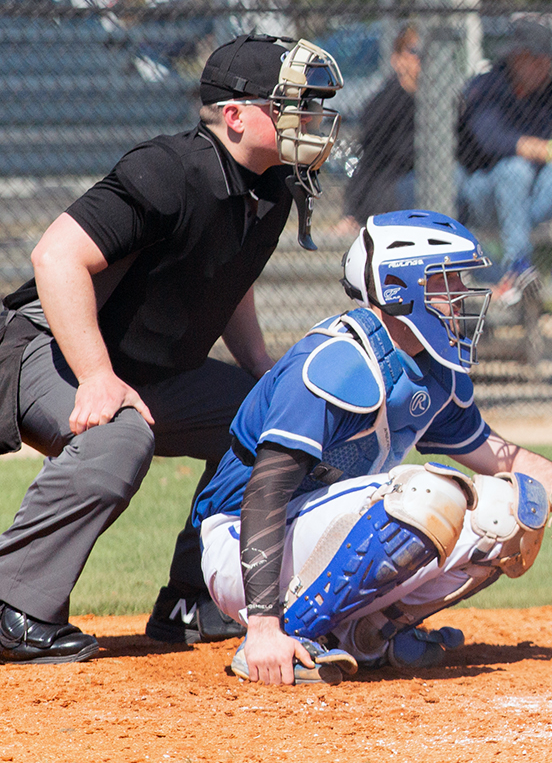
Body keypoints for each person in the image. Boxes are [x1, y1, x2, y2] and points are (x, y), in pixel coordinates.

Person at [0, 34, 342, 662]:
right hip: (47, 348)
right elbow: (56, 256)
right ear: (234, 116)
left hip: (151, 370)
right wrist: (97, 374)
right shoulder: (169, 169)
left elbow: (226, 279)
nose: (310, 119)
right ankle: (11, 604)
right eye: (291, 104)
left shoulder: (274, 186)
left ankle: (193, 596)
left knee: (273, 420)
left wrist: (264, 374)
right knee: (121, 434)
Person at [193, 210, 552, 685]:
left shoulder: (434, 368)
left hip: (316, 537)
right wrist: (263, 625)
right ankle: (285, 638)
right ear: (397, 287)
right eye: (447, 281)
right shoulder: (336, 362)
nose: (462, 295)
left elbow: (499, 456)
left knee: (511, 508)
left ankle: (366, 635)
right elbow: (265, 492)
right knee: (430, 495)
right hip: (241, 545)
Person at [456, 19, 552, 302]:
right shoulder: (486, 86)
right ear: (517, 57)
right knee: (515, 169)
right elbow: (492, 140)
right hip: (483, 197)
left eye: (547, 60)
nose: (545, 67)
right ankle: (517, 268)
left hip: (530, 201)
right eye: (536, 59)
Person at [340, 25, 421, 228]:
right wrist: (352, 212)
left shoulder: (441, 100)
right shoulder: (388, 101)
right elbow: (370, 160)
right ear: (397, 60)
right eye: (414, 51)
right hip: (390, 186)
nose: (421, 59)